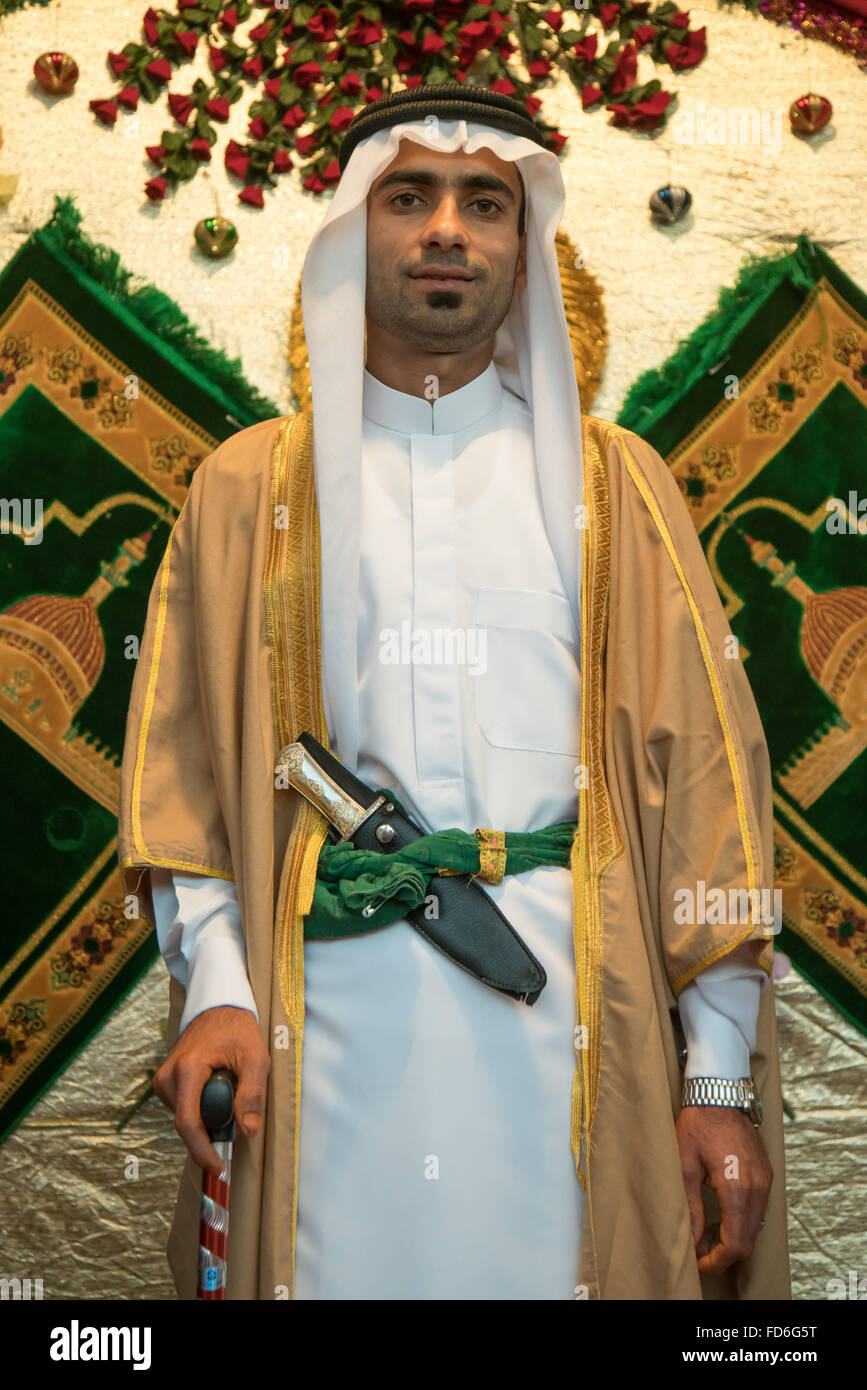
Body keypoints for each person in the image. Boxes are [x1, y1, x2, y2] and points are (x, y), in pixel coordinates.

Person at [118, 84, 790, 1300]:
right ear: (348, 231)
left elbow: (711, 797)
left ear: (524, 246)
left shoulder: (616, 490)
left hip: (576, 1022)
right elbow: (188, 788)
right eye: (408, 196)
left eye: (486, 202)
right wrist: (215, 995)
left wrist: (719, 1084)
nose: (446, 230)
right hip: (315, 1023)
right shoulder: (245, 490)